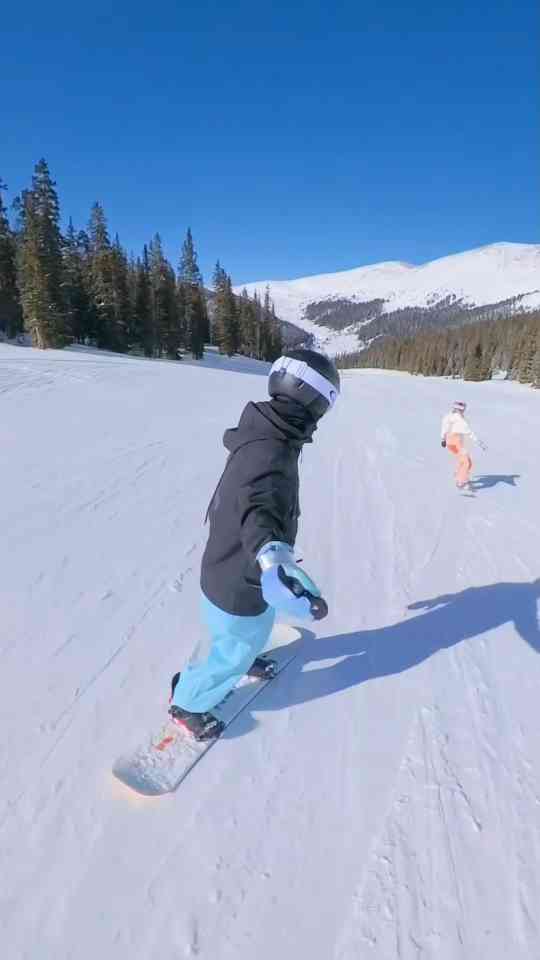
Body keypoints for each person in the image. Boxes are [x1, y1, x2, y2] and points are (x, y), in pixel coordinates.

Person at [168, 349, 340, 739]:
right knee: (230, 647)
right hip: (240, 572)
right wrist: (272, 557)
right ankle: (188, 704)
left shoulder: (267, 430)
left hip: (233, 566)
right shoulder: (272, 449)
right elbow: (257, 507)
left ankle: (243, 658)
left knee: (253, 628)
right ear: (315, 401)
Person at [440, 400, 486, 488]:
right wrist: (479, 443)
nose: (462, 411)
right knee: (466, 462)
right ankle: (461, 481)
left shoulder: (449, 416)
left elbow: (444, 426)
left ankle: (460, 476)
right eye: (461, 410)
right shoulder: (460, 419)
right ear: (458, 409)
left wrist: (443, 439)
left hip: (450, 443)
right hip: (456, 441)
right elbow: (469, 432)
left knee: (464, 461)